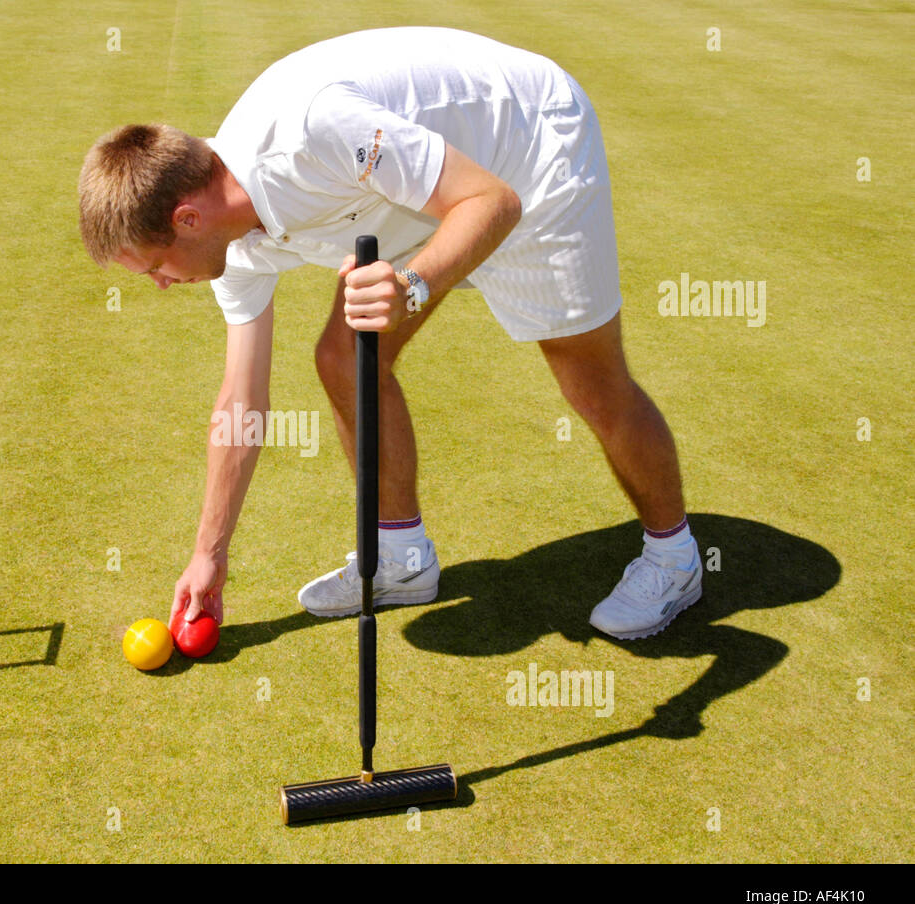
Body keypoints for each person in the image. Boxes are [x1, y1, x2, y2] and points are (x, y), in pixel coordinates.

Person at [78, 26, 701, 642]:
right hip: (409, 187)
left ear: (187, 219)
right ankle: (401, 560)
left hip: (527, 143)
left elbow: (492, 200)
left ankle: (675, 560)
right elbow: (240, 403)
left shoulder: (312, 133)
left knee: (589, 379)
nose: (160, 285)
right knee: (345, 357)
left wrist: (413, 285)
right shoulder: (230, 245)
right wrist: (210, 553)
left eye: (155, 267)